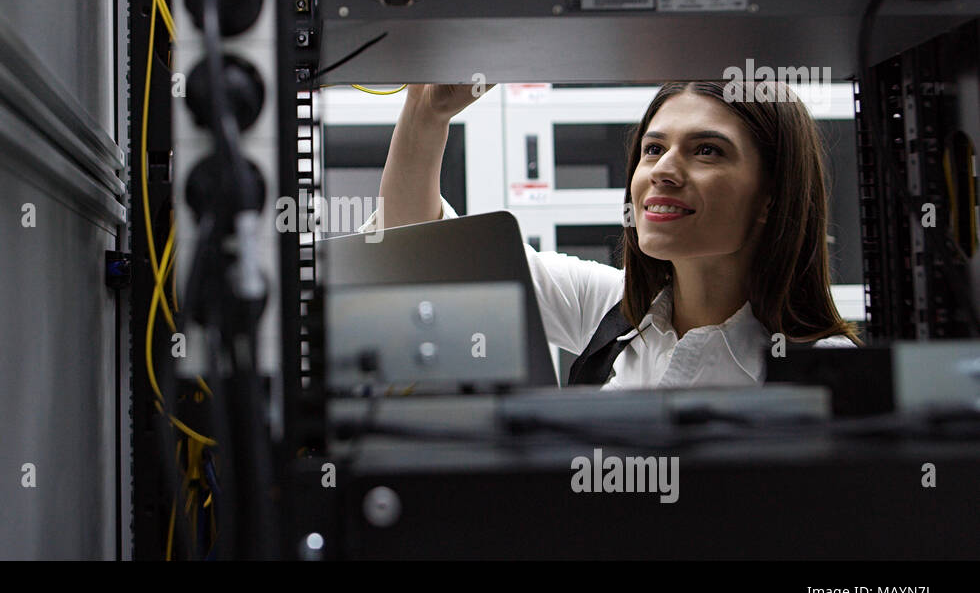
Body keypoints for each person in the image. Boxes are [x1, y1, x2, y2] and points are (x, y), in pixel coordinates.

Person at [357, 81, 859, 389]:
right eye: (653, 148)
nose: (663, 169)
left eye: (706, 150)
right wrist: (427, 115)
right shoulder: (609, 309)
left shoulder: (826, 370)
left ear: (772, 197)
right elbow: (422, 257)